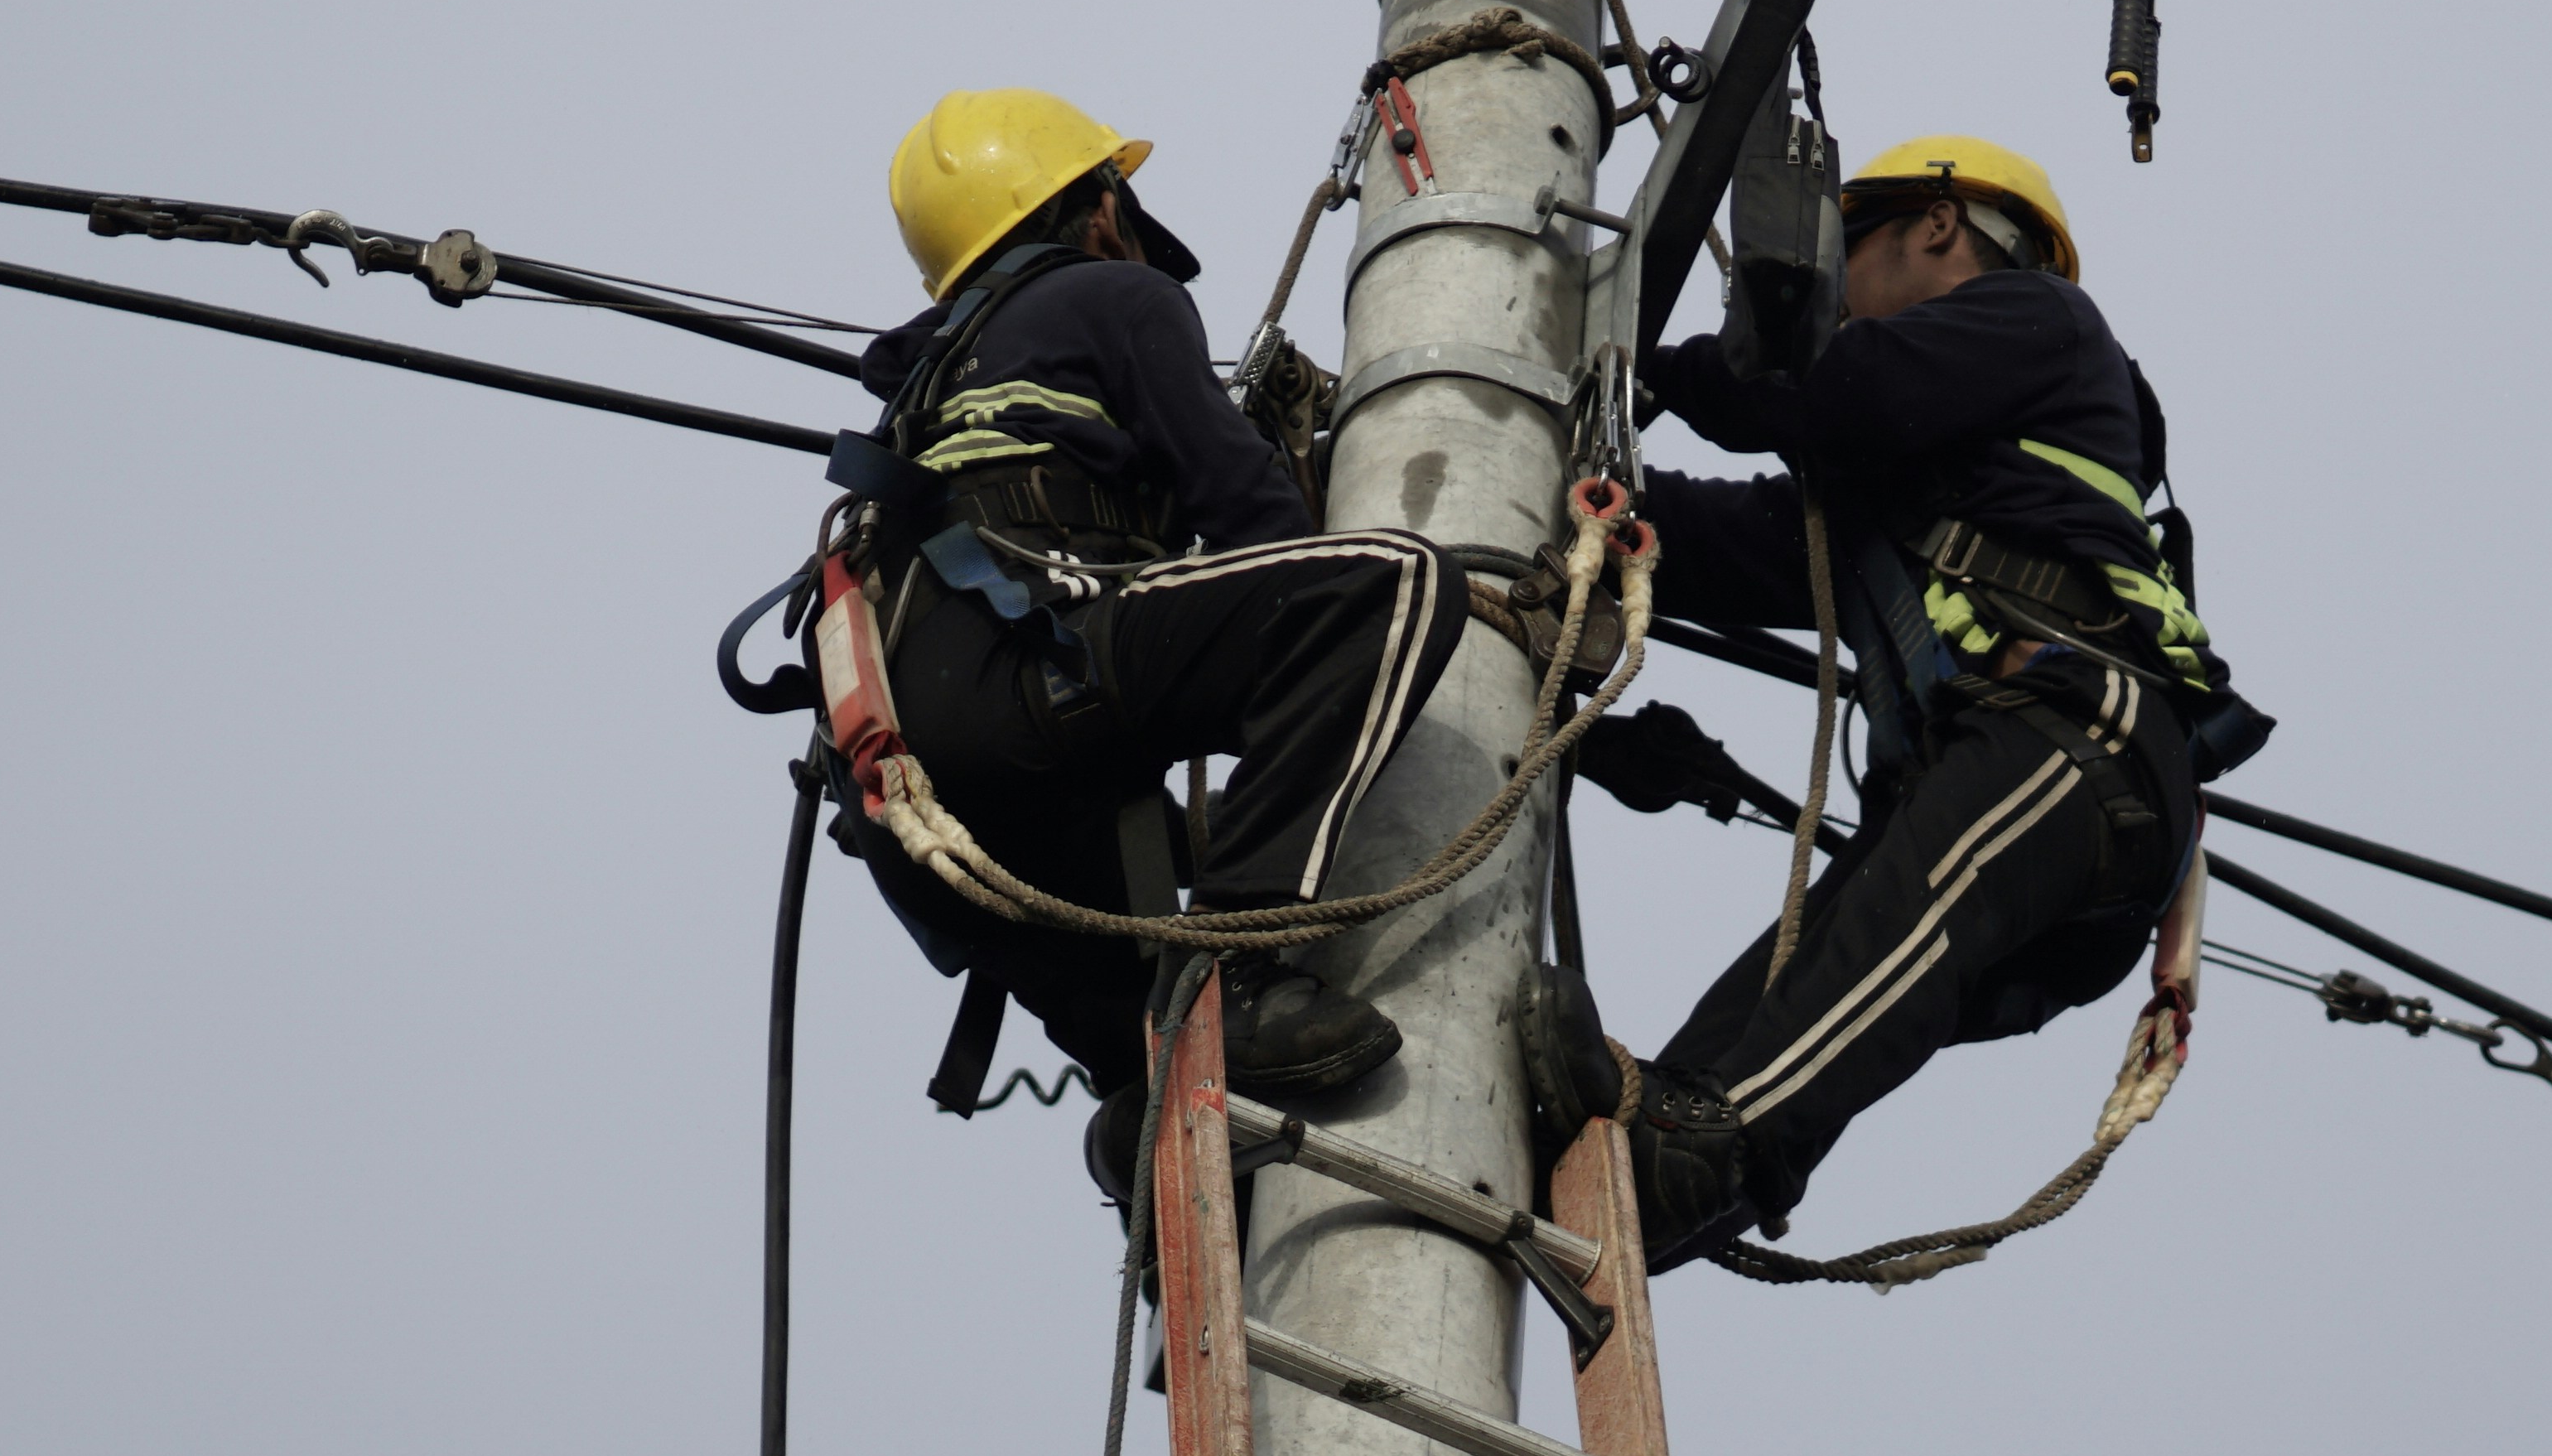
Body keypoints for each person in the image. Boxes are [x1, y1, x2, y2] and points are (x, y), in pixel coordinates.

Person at [1603, 133, 2258, 1268]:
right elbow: (1714, 543)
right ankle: (1627, 1170)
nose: (1837, 292)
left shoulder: (2040, 319)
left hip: (2072, 745)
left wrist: (1646, 365)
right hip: (1999, 784)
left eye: (1848, 249)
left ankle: (1712, 1149)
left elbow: (1826, 390)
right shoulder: (1895, 482)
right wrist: (1572, 491)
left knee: (1833, 992)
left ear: (1940, 226)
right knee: (1779, 990)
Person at [842, 89, 1469, 1198]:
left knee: (1157, 1056)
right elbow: (1252, 519)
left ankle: (1150, 1166)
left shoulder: (925, 385)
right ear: (1098, 210)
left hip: (910, 792)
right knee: (1394, 587)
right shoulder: (1114, 293)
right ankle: (1247, 961)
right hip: (1027, 679)